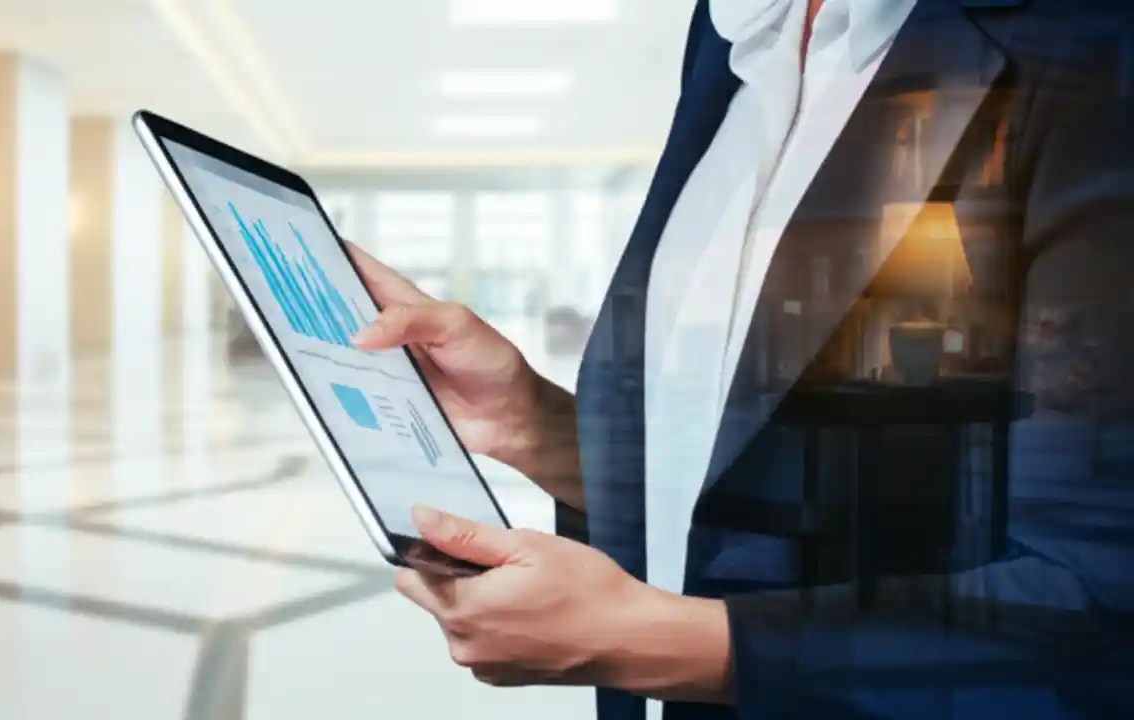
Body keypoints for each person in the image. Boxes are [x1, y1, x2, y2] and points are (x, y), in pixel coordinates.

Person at [350, 0, 1134, 717]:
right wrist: (537, 426)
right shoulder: (730, 37)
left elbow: (1097, 606)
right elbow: (774, 476)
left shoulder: (1091, 47)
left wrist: (665, 643)